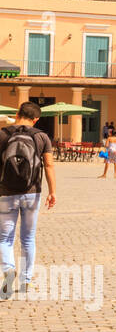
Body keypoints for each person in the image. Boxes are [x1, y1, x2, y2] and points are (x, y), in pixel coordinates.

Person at [0, 102, 56, 299]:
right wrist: (52, 192)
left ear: (17, 114)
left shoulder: (3, 134)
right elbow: (49, 165)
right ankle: (25, 281)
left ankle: (8, 269)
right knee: (28, 237)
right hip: (32, 192)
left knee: (4, 238)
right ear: (36, 119)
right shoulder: (41, 137)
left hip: (5, 193)